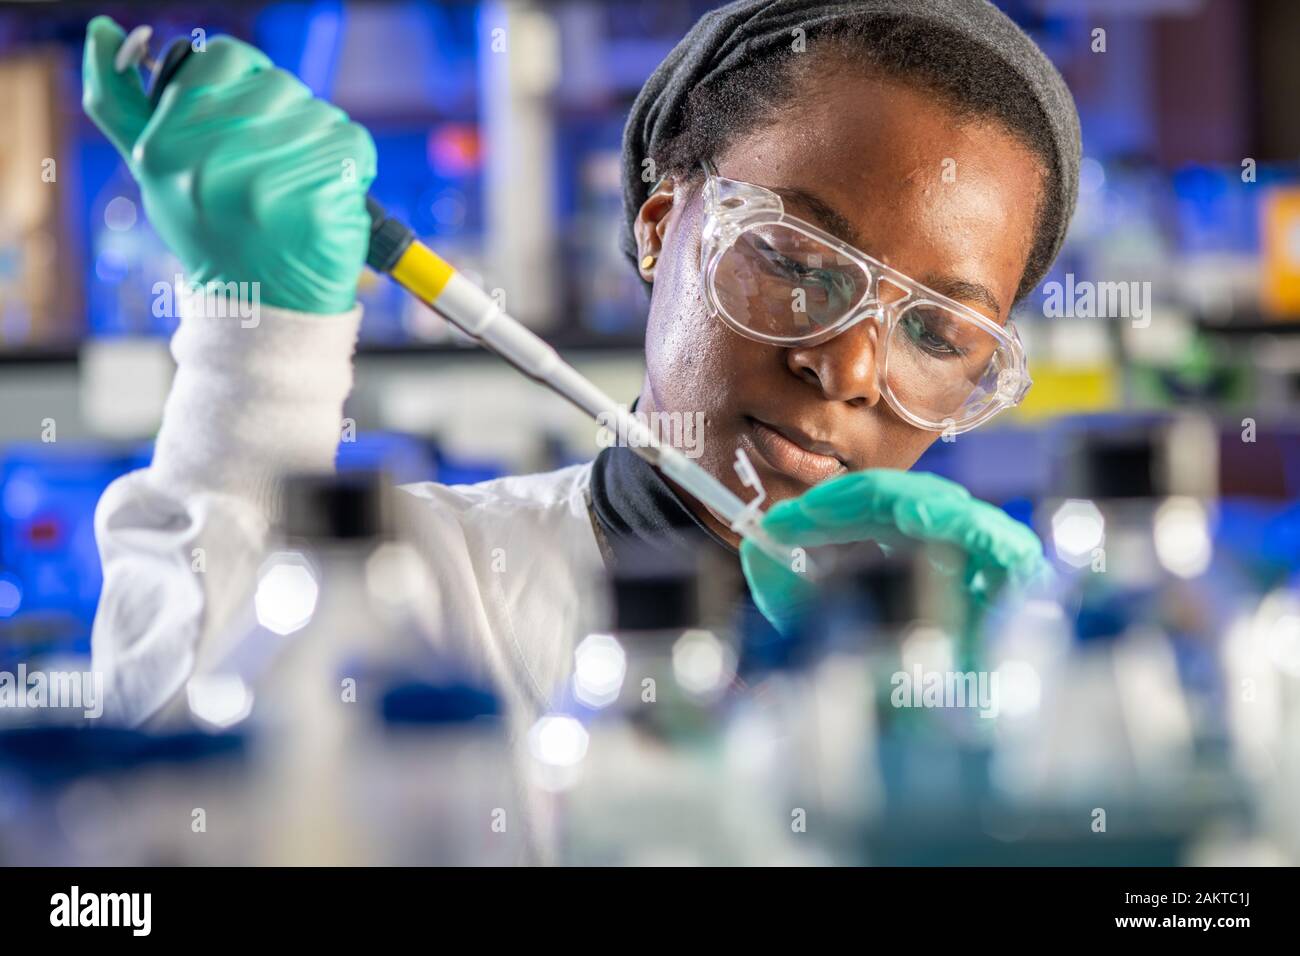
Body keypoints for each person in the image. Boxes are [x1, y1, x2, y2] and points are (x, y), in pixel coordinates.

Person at [83, 0, 1079, 730]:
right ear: (659, 227)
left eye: (940, 334)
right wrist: (260, 339)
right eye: (793, 262)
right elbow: (164, 746)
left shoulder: (998, 662)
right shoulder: (417, 591)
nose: (852, 365)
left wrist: (1043, 714)